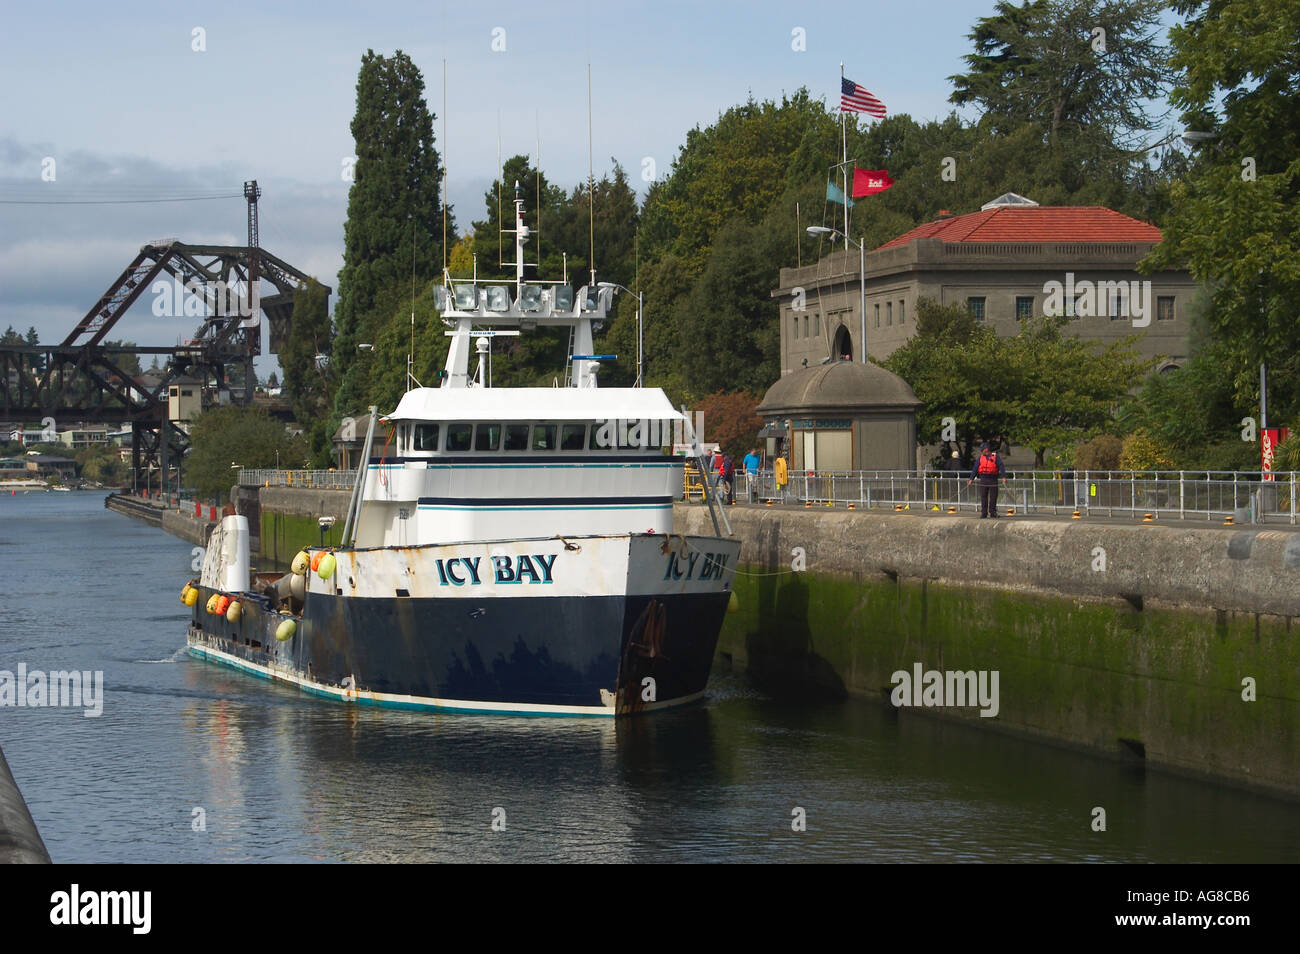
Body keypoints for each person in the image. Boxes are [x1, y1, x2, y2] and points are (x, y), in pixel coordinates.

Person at [968, 441, 1007, 518]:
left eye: (982, 450)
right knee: (983, 496)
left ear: (986, 449)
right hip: (983, 478)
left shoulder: (995, 456)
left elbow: (1001, 466)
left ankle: (993, 512)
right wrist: (971, 479)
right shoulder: (980, 458)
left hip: (993, 478)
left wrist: (1004, 477)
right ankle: (984, 513)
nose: (981, 451)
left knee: (993, 496)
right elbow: (975, 469)